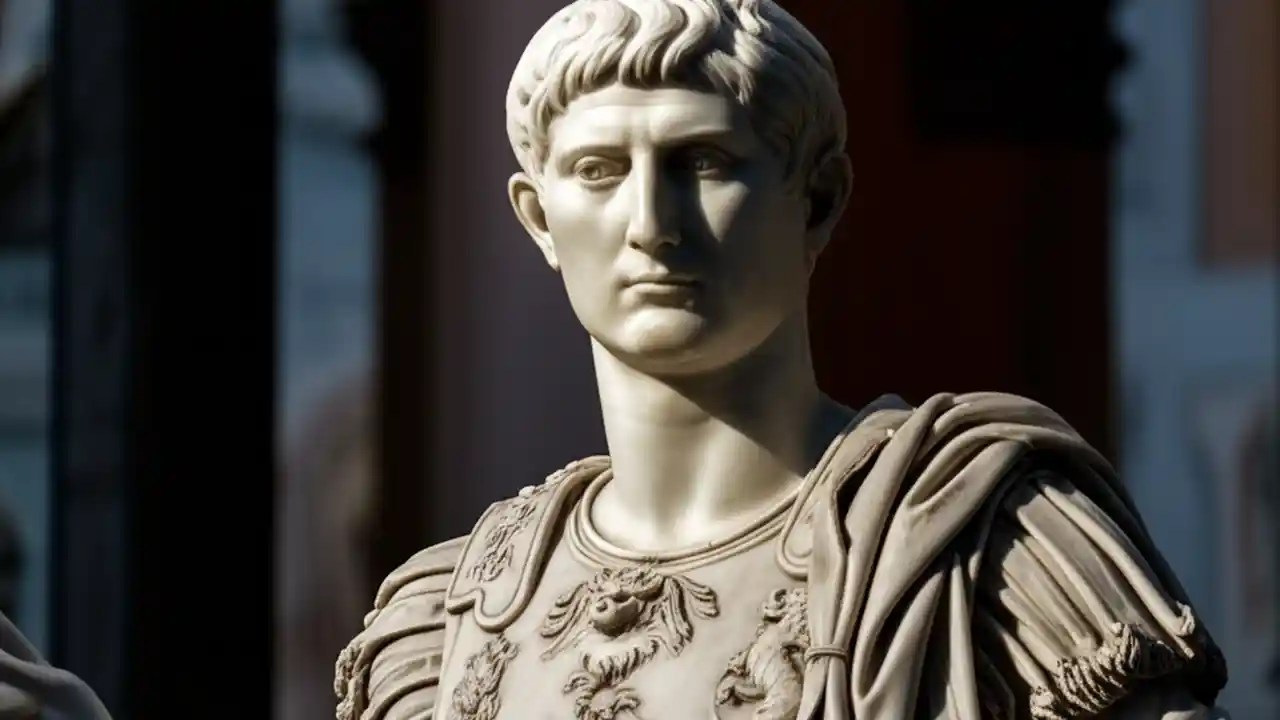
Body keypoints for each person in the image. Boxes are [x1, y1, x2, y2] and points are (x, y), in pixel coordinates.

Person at [335, 1, 1229, 718]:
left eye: (705, 162)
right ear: (538, 218)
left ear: (819, 199)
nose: (652, 224)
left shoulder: (992, 555)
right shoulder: (445, 622)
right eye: (602, 171)